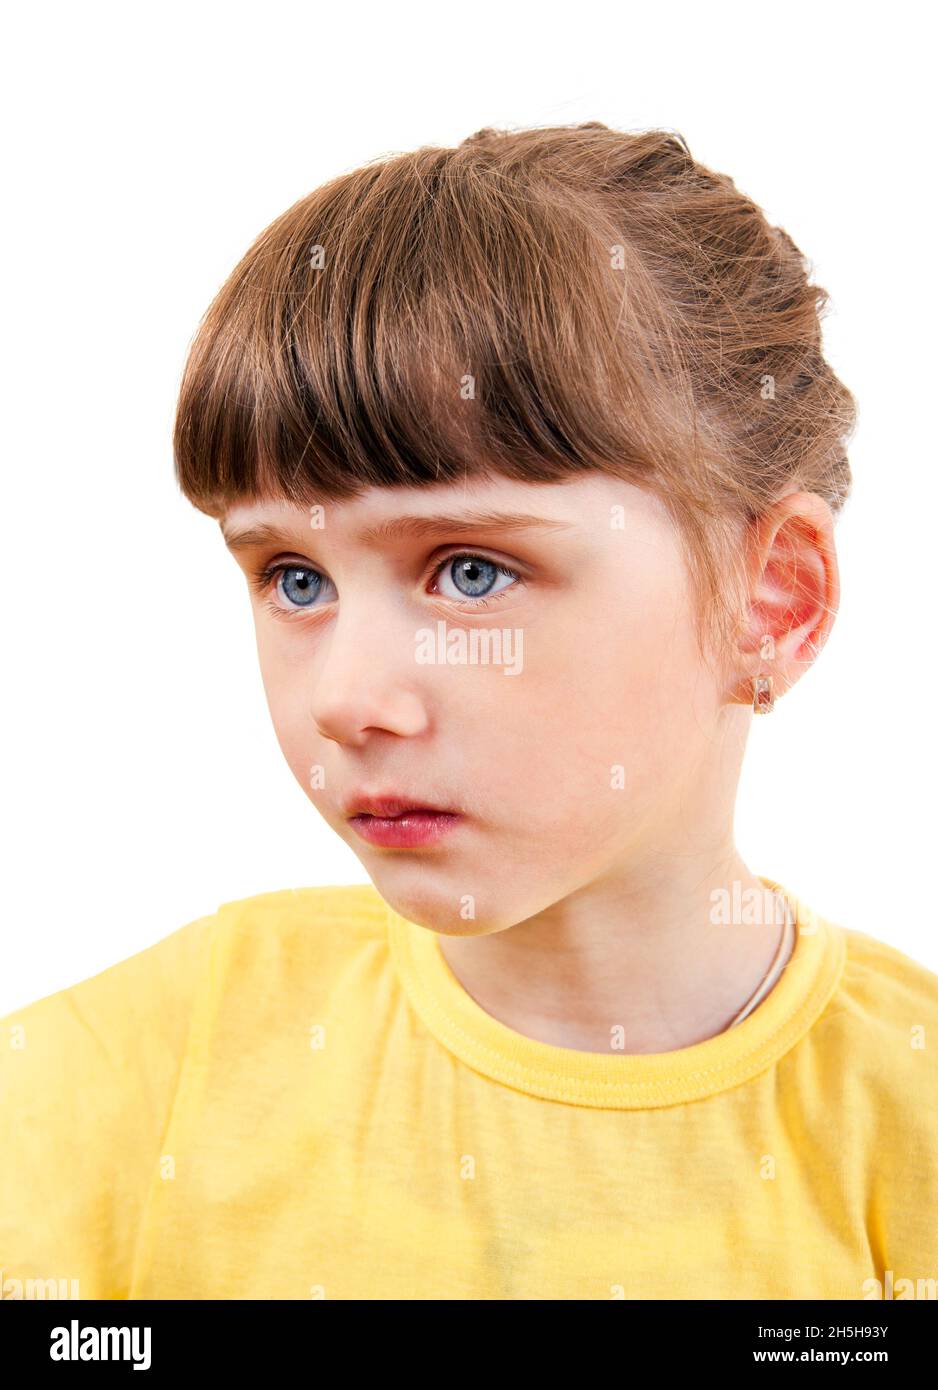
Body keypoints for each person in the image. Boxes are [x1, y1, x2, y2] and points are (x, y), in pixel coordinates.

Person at [2, 123, 936, 1301]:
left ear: (772, 601)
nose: (346, 700)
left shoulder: (907, 1130)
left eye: (470, 571)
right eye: (293, 578)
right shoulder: (124, 1081)